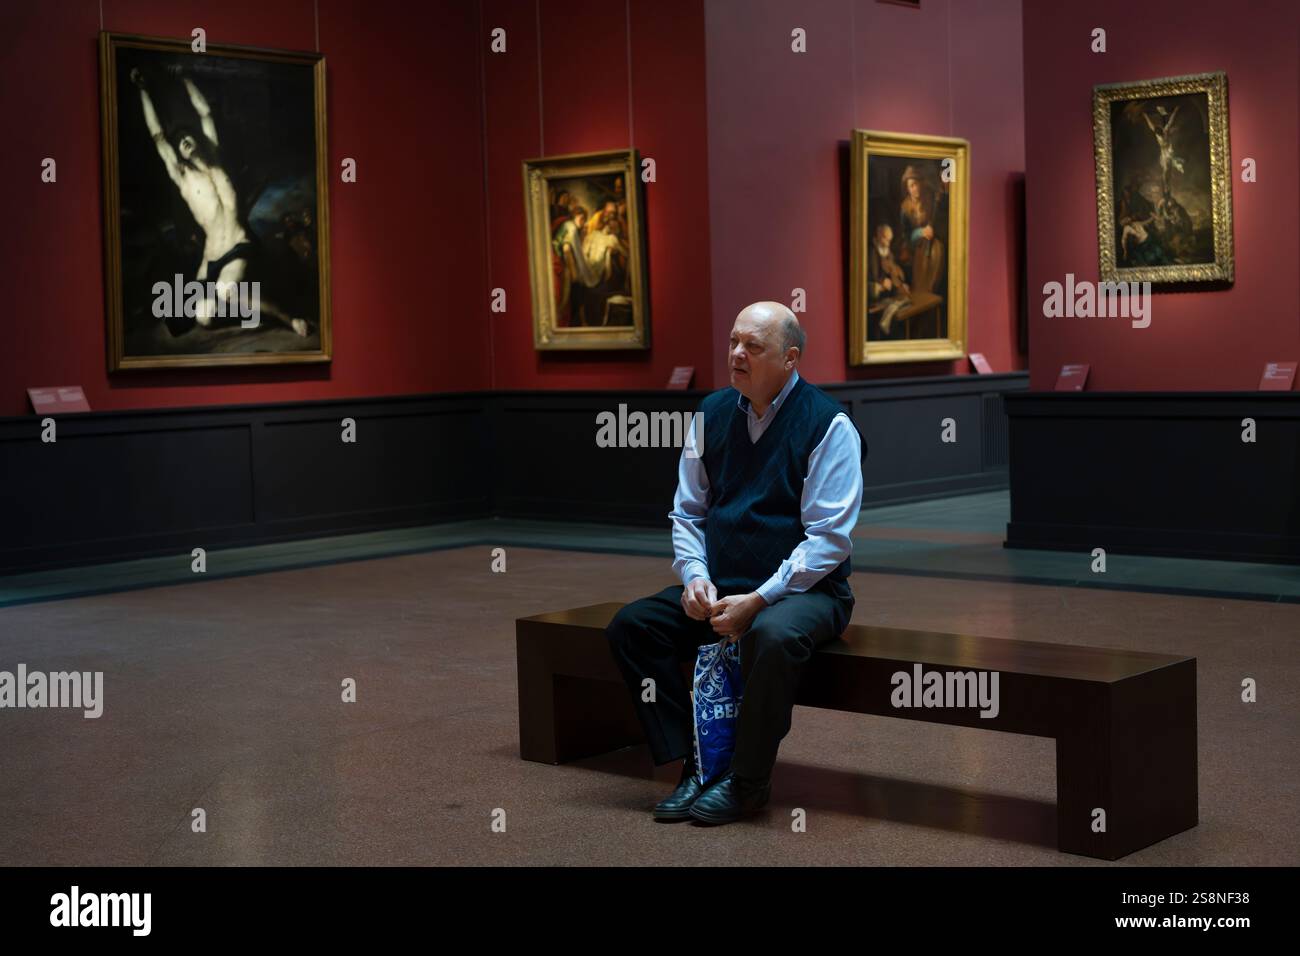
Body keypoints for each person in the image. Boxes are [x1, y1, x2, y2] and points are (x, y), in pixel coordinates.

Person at [606, 302, 866, 825]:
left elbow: (828, 540)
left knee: (771, 637)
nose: (737, 355)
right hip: (724, 585)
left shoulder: (828, 425)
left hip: (807, 593)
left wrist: (760, 599)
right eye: (732, 342)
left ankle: (747, 782)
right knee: (633, 627)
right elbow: (688, 511)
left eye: (753, 346)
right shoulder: (710, 414)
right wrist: (695, 578)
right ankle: (696, 766)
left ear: (790, 358)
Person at [129, 65, 307, 337]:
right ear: (179, 154)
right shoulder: (184, 178)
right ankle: (251, 310)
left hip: (239, 244)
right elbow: (158, 136)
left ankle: (288, 317)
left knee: (227, 291)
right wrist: (143, 90)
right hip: (211, 256)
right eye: (180, 144)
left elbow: (205, 112)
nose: (184, 142)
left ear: (197, 139)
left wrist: (186, 78)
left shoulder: (217, 159)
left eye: (187, 137)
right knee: (204, 318)